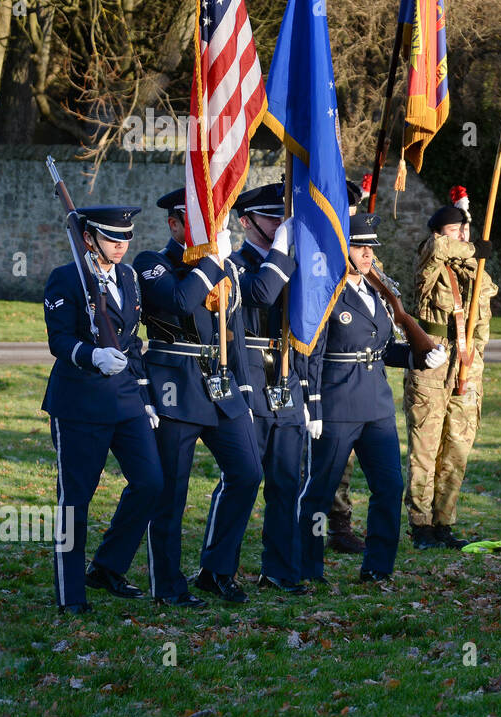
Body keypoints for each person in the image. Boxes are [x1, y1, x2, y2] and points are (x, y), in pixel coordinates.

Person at [297, 214, 446, 582]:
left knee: (389, 487)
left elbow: (379, 349)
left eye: (370, 248)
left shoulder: (375, 292)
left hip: (376, 405)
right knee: (319, 491)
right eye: (359, 246)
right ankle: (307, 565)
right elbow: (311, 355)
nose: (367, 254)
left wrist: (418, 357)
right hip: (336, 403)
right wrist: (311, 402)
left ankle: (378, 567)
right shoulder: (326, 291)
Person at [134, 189, 263, 607]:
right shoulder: (152, 264)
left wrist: (245, 389)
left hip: (221, 385)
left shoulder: (223, 268)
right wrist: (212, 261)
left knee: (247, 473)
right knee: (171, 489)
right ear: (173, 225)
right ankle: (167, 584)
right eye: (195, 225)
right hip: (175, 386)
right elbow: (179, 300)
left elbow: (236, 333)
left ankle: (216, 569)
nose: (208, 234)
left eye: (212, 225)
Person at [42, 206, 163, 614]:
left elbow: (132, 342)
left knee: (150, 482)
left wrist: (146, 399)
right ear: (89, 238)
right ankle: (69, 591)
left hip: (127, 399)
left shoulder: (128, 277)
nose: (121, 245)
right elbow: (58, 340)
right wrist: (91, 355)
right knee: (75, 498)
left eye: (126, 237)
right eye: (112, 237)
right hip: (79, 402)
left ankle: (108, 567)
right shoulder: (66, 277)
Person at [404, 186, 497, 549]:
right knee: (425, 448)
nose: (463, 236)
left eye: (465, 231)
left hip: (466, 364)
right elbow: (439, 249)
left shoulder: (473, 269)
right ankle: (420, 524)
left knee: (457, 447)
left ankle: (444, 520)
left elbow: (486, 304)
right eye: (456, 230)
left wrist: (473, 257)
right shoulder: (430, 260)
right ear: (441, 233)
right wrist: (469, 248)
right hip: (433, 361)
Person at [231, 181, 311, 594]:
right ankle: (219, 568)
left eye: (283, 217)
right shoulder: (234, 266)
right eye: (271, 217)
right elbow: (261, 296)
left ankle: (280, 569)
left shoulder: (293, 262)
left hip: (287, 380)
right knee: (242, 481)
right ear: (246, 222)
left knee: (286, 484)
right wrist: (281, 248)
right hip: (251, 382)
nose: (281, 223)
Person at [326, 177, 368, 555]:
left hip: (362, 380)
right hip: (328, 376)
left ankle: (340, 525)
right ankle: (329, 526)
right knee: (328, 461)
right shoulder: (324, 258)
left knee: (347, 460)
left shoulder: (362, 257)